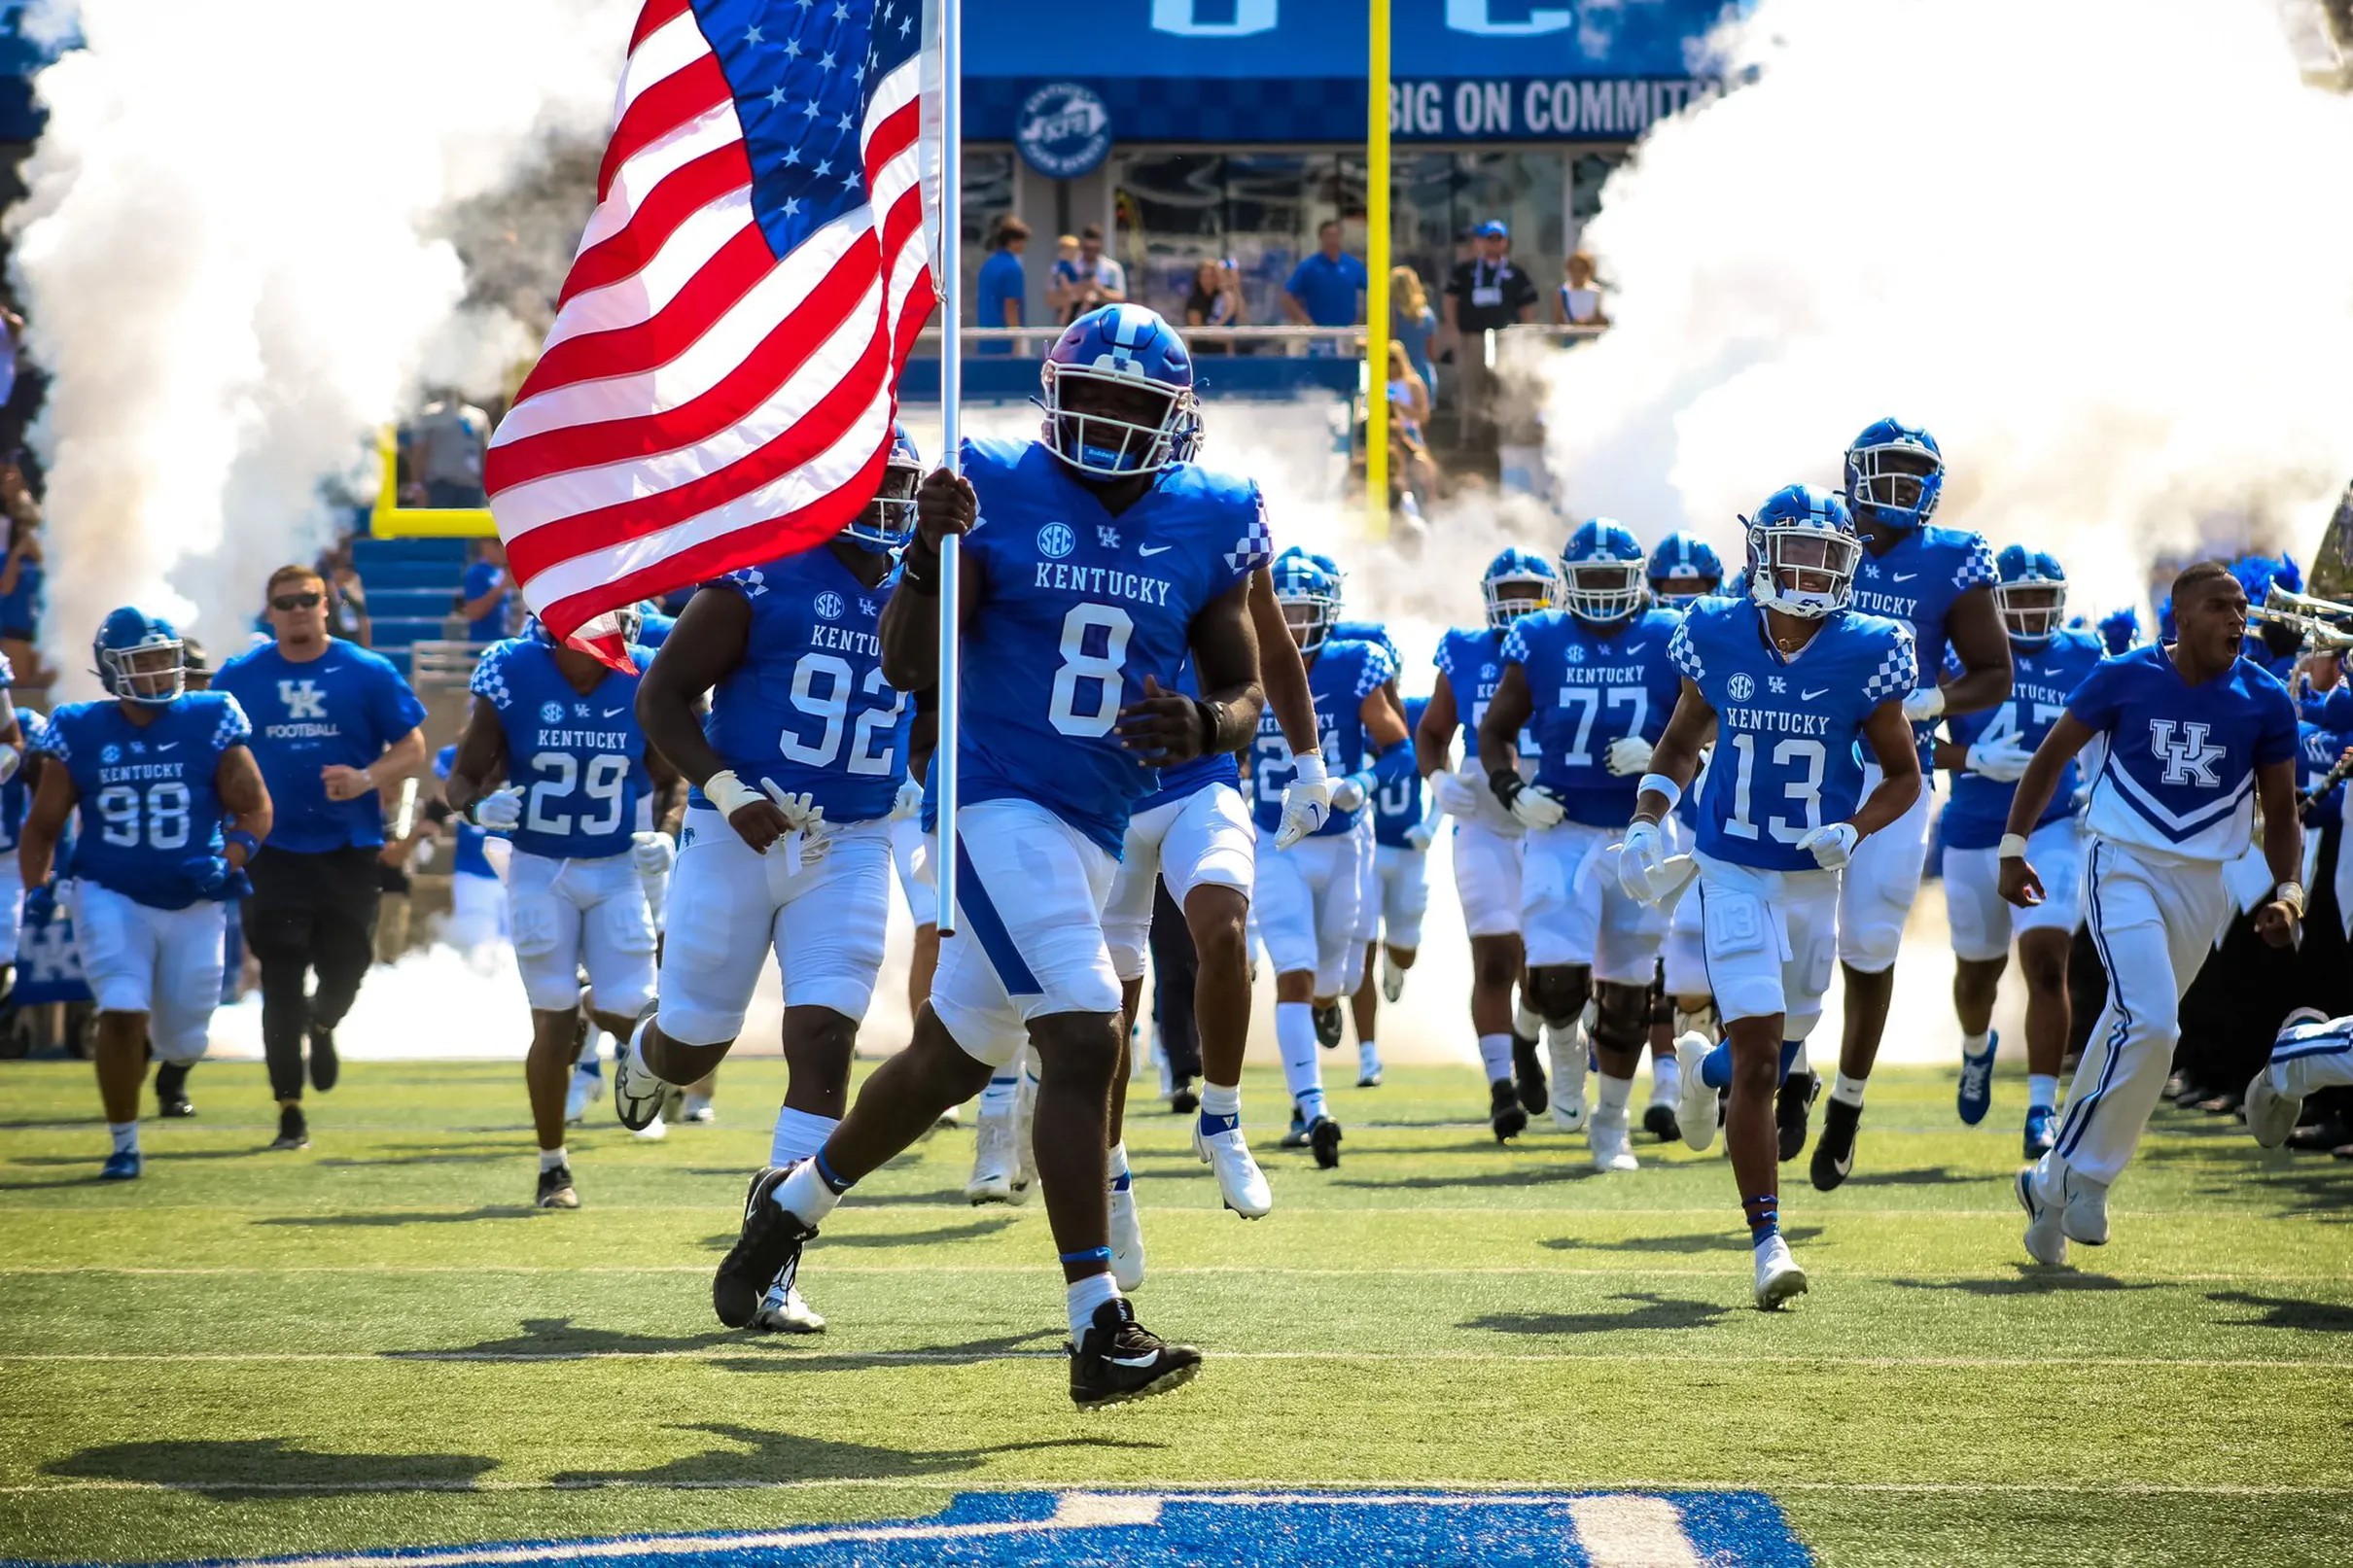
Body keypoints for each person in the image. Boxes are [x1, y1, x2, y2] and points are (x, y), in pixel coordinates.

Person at [706, 305, 1287, 1407]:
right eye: (1094, 396)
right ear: (1056, 393)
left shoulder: (1213, 518)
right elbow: (906, 662)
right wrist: (928, 549)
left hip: (1091, 821)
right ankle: (1097, 1321)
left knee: (952, 1057)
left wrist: (1207, 730)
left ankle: (787, 1207)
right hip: (988, 801)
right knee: (1081, 1032)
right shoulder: (997, 481)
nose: (1108, 420)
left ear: (1177, 422)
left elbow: (1243, 687)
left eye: (1133, 404)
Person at [611, 430, 923, 1328]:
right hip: (737, 830)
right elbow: (660, 697)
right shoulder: (762, 571)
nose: (888, 500)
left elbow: (939, 703)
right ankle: (647, 1050)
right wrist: (724, 785)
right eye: (874, 480)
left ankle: (778, 1253)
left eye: (898, 484)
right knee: (696, 1042)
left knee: (826, 1040)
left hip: (852, 841)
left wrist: (916, 782)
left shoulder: (926, 591)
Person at [1619, 483, 1921, 1307]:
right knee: (1759, 1064)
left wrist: (1856, 829)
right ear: (1762, 555)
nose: (1817, 571)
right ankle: (1766, 1242)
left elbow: (1904, 774)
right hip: (1732, 867)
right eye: (1802, 552)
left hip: (1812, 875)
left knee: (1787, 1037)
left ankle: (1698, 1065)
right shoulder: (1714, 632)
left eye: (1832, 555)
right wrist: (1650, 818)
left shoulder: (1869, 646)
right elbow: (1683, 737)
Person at [2002, 561, 2300, 1266]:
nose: (2239, 619)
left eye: (2243, 608)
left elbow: (2282, 809)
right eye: (2222, 607)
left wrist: (2288, 890)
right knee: (2155, 1023)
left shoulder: (2265, 698)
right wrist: (2014, 846)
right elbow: (2051, 756)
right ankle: (2092, 1178)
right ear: (2181, 617)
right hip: (2123, 863)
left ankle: (2047, 1188)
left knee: (2123, 1030)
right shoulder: (2122, 675)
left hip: (2206, 883)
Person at [1095, 410, 1326, 1252]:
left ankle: (1221, 1116)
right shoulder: (1050, 507)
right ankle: (1111, 1172)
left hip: (1197, 773)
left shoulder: (1215, 513)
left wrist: (1308, 762)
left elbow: (1268, 644)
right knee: (1107, 1006)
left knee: (1224, 935)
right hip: (1100, 787)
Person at [1800, 419, 2008, 1191]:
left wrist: (1935, 699)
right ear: (1852, 471)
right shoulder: (1811, 530)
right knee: (1797, 933)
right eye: (1882, 467)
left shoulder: (1952, 558)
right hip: (1807, 765)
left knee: (1870, 940)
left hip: (1895, 771)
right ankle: (1791, 1067)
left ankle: (1847, 1102)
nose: (1894, 483)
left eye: (1911, 469)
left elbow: (1993, 671)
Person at [18, 609, 272, 1179]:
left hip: (193, 895)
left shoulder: (212, 715)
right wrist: (40, 885)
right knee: (122, 1008)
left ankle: (173, 1066)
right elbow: (43, 823)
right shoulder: (80, 726)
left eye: (165, 660)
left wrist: (229, 858)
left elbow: (254, 806)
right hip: (110, 889)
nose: (159, 674)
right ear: (112, 671)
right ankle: (124, 1142)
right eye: (144, 663)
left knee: (185, 1034)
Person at [444, 610, 678, 1210]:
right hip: (539, 867)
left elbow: (669, 775)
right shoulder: (514, 669)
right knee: (550, 1016)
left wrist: (665, 831)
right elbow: (463, 777)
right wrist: (477, 811)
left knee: (632, 1005)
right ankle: (554, 1166)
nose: (621, 623)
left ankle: (625, 1049)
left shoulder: (644, 674)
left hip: (617, 865)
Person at [1477, 521, 1684, 1170]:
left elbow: (1707, 736)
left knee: (1627, 989)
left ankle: (1611, 1122)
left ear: (1636, 580)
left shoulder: (1668, 636)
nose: (1598, 593)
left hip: (1640, 830)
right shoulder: (1538, 636)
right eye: (1586, 579)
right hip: (1561, 827)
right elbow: (1496, 729)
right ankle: (1564, 1050)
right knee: (1556, 975)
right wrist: (1512, 790)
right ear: (1566, 583)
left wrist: (1663, 756)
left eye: (1609, 579)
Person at [213, 564, 429, 1152]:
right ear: (270, 612)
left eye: (308, 598)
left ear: (326, 603)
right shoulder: (239, 676)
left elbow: (412, 746)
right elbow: (211, 751)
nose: (298, 610)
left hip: (348, 848)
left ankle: (325, 1021)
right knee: (280, 976)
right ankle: (289, 1110)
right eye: (285, 602)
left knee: (348, 965)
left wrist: (366, 778)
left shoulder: (365, 670)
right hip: (273, 850)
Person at [1935, 547, 2104, 1157]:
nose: (2033, 608)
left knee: (2047, 961)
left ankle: (2041, 1110)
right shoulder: (1963, 656)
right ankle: (1976, 1047)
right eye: (2021, 595)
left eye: (2042, 595)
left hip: (2054, 827)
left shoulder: (2085, 655)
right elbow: (1899, 738)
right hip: (1975, 830)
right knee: (1977, 972)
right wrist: (1971, 757)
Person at [1250, 554, 1410, 1167]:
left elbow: (1398, 749)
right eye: (1280, 609)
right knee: (1292, 967)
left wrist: (1363, 783)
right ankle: (1313, 1106)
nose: (1289, 623)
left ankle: (1323, 1016)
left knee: (1336, 982)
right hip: (1277, 839)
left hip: (1345, 841)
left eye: (1302, 611)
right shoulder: (1247, 654)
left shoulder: (1351, 663)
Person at [1415, 548, 1559, 1132]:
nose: (1520, 604)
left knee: (1549, 967)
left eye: (1531, 592)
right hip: (1484, 826)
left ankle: (1528, 1043)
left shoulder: (1564, 644)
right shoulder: (1467, 650)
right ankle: (1501, 1085)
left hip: (1555, 826)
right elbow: (1430, 731)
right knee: (1496, 957)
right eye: (1510, 592)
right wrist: (1439, 776)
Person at [1348, 692, 1432, 1090]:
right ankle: (1368, 1055)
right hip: (1361, 849)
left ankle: (1394, 962)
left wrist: (1431, 826)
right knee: (1360, 950)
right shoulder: (1344, 716)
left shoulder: (1416, 713)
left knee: (1405, 951)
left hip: (1407, 852)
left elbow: (1441, 768)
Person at [1445, 221, 1538, 440]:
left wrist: (1524, 336)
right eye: (1489, 239)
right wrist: (1453, 329)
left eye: (1498, 239)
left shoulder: (1515, 273)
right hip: (1473, 335)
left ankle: (1507, 436)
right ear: (1479, 242)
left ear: (1506, 242)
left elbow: (1527, 307)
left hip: (1505, 338)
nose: (1493, 244)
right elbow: (1450, 299)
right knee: (1472, 385)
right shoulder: (1465, 271)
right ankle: (1471, 437)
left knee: (1507, 385)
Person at [1283, 221, 1369, 348]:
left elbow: (1372, 290)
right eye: (1328, 236)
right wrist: (1306, 321)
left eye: (1335, 236)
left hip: (1347, 333)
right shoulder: (1309, 267)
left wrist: (1364, 321)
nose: (1332, 240)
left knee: (1346, 366)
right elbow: (1287, 298)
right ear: (1321, 238)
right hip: (1318, 334)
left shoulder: (1353, 266)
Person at [407, 391, 491, 508]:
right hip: (439, 488)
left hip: (471, 488)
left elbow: (485, 453)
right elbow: (419, 452)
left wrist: (488, 488)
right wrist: (417, 486)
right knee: (439, 526)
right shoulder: (428, 415)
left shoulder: (479, 416)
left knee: (470, 526)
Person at [976, 216, 1030, 355]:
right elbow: (1011, 305)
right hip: (1005, 342)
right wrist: (1017, 339)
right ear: (1012, 241)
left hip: (985, 337)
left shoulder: (988, 265)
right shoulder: (1012, 268)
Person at [1056, 224, 1127, 326]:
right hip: (1073, 325)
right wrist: (1079, 292)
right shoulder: (1070, 266)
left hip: (1103, 325)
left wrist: (1100, 291)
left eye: (1095, 249)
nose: (1091, 253)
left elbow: (1121, 298)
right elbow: (1051, 298)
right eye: (1087, 249)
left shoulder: (1112, 269)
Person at [1390, 266, 1438, 401]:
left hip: (1396, 378)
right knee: (1420, 418)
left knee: (1398, 418)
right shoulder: (1427, 315)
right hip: (1423, 375)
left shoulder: (1388, 316)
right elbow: (1432, 352)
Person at [457, 539, 513, 644]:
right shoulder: (477, 573)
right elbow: (473, 613)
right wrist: (501, 587)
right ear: (486, 545)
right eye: (498, 544)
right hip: (483, 646)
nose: (504, 549)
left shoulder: (505, 570)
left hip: (504, 643)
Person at [1182, 258, 1245, 340]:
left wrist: (1235, 288)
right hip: (1204, 349)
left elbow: (1242, 318)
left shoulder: (1222, 297)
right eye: (1205, 277)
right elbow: (1198, 334)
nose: (1208, 281)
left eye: (1212, 276)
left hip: (1227, 346)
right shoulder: (1194, 302)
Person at [1553, 251, 1609, 328]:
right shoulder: (1562, 292)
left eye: (1582, 270)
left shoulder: (1596, 292)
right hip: (1569, 337)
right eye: (1574, 269)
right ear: (1569, 270)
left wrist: (1586, 322)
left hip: (1591, 336)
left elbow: (1601, 319)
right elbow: (1558, 320)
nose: (1578, 274)